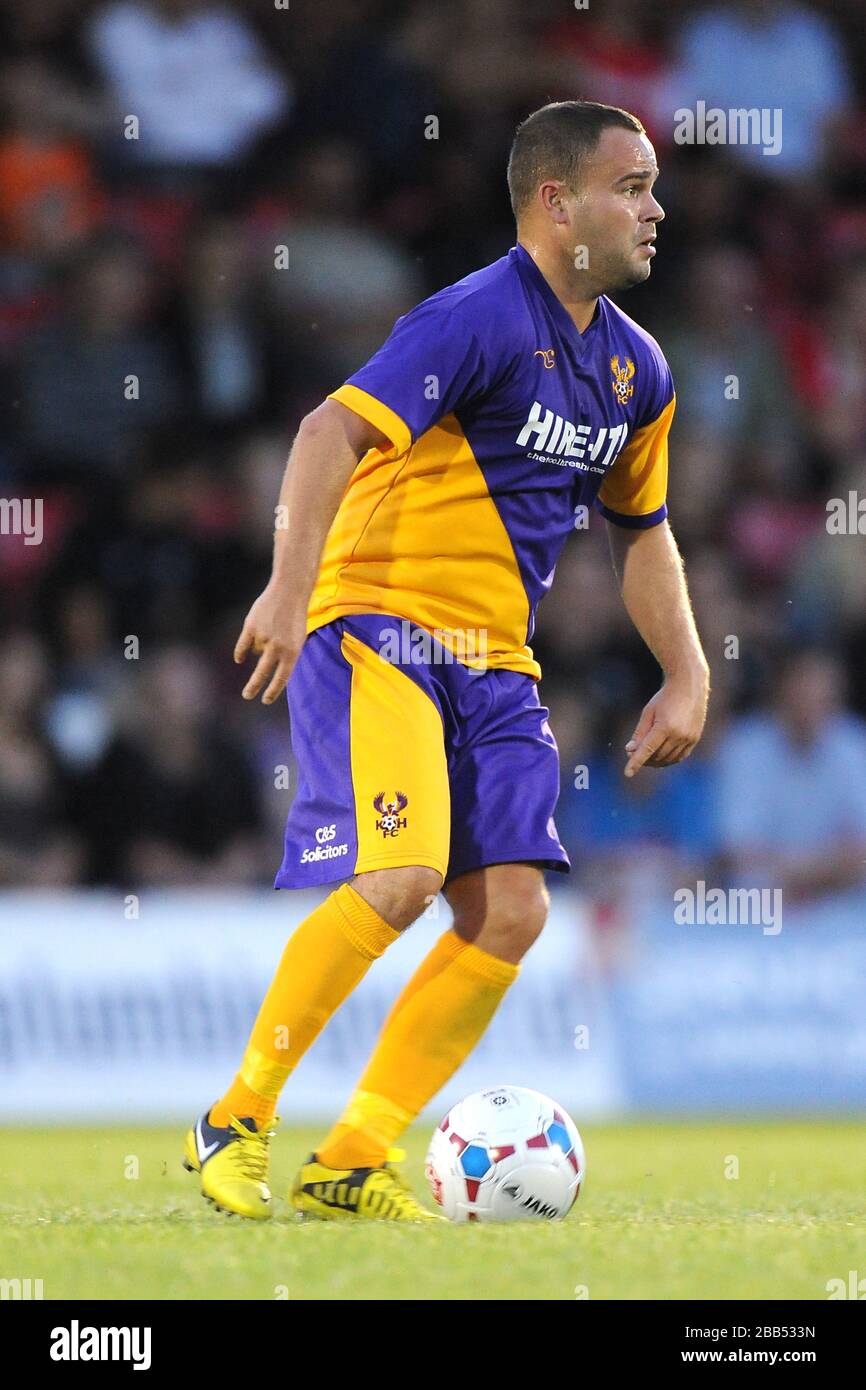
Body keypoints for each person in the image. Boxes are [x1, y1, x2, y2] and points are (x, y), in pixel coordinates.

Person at [183, 101, 710, 1221]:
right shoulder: (473, 316)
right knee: (402, 876)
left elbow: (642, 529)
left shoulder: (636, 370)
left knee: (510, 913)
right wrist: (286, 587)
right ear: (555, 202)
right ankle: (236, 1116)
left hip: (496, 663)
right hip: (378, 624)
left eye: (653, 186)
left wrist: (685, 667)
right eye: (632, 186)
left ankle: (353, 1158)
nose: (654, 208)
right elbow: (328, 431)